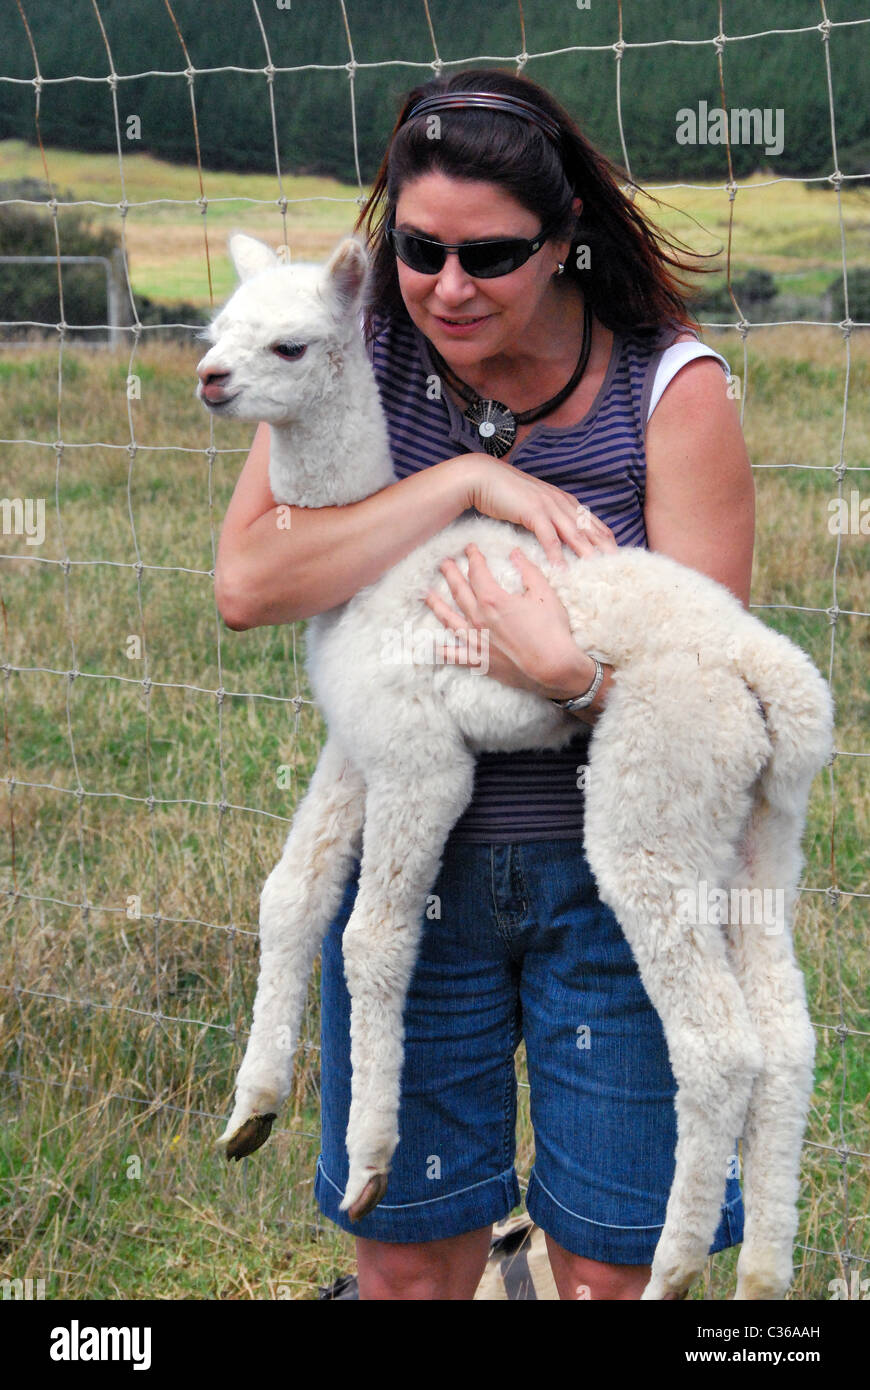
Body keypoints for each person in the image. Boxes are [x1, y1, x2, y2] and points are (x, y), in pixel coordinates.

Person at [214, 68, 755, 1301]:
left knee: (614, 1277)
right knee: (406, 1268)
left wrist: (569, 676)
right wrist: (462, 486)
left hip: (616, 875)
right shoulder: (350, 354)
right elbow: (251, 578)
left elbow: (716, 686)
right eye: (418, 249)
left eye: (491, 256)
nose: (447, 286)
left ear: (566, 242)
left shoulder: (671, 390)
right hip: (415, 872)